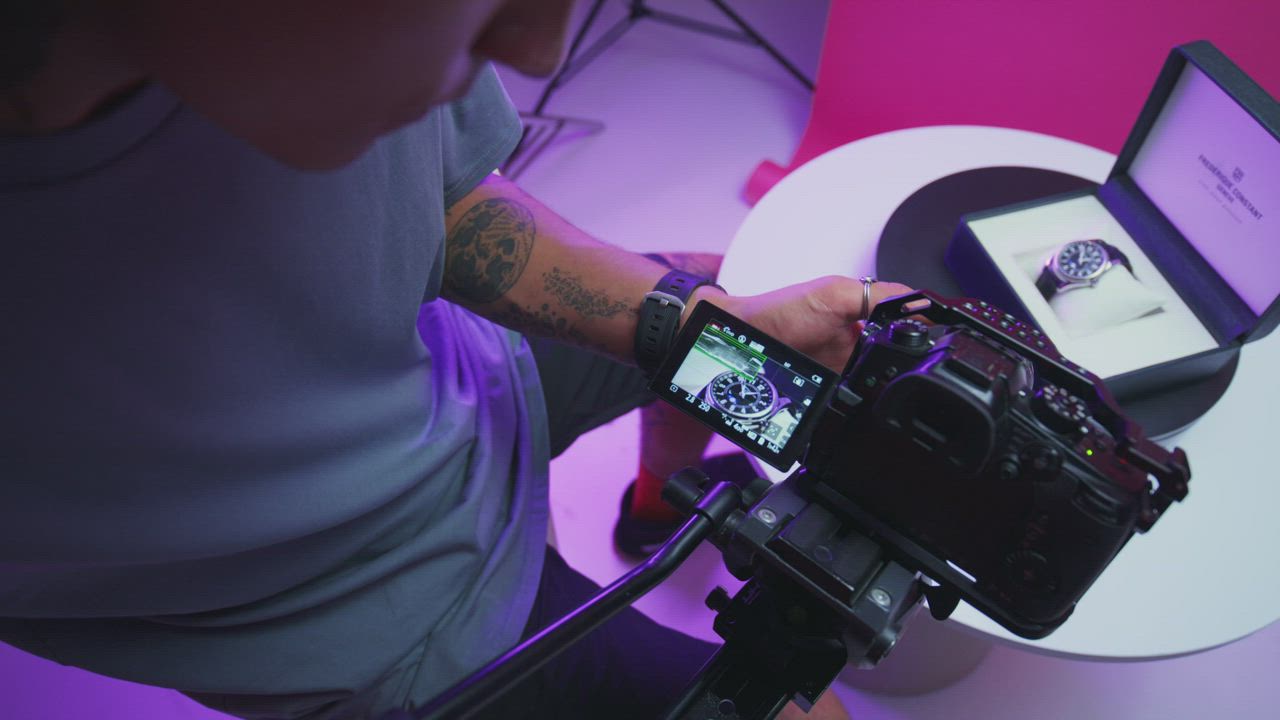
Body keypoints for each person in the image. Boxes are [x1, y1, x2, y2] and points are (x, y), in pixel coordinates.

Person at [0, 2, 911, 718]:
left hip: (464, 374)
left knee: (725, 307)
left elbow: (445, 202)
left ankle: (646, 504)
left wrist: (699, 325)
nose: (537, 50)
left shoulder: (324, 39)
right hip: (372, 609)